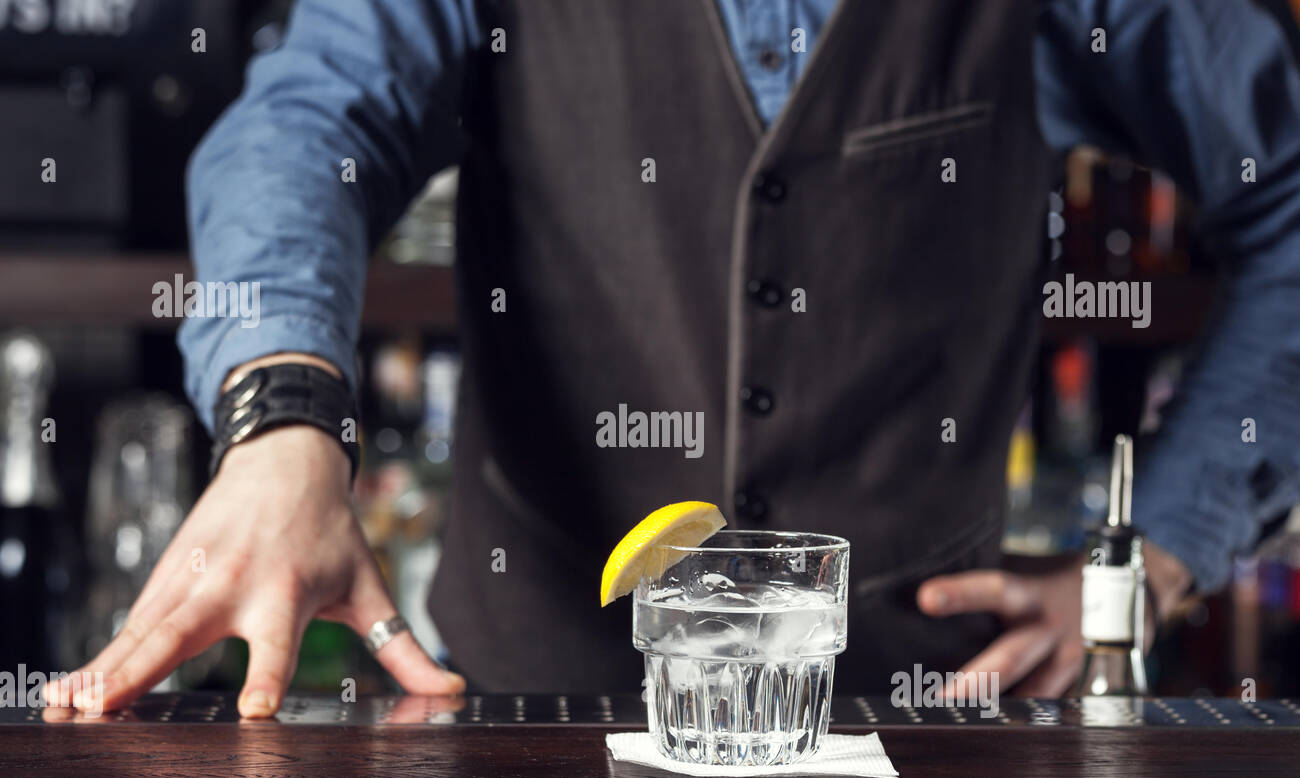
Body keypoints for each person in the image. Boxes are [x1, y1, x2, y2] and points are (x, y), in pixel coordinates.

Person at [50, 0, 1300, 717]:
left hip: (925, 735)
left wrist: (1156, 561)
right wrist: (282, 418)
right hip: (527, 725)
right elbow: (298, 122)